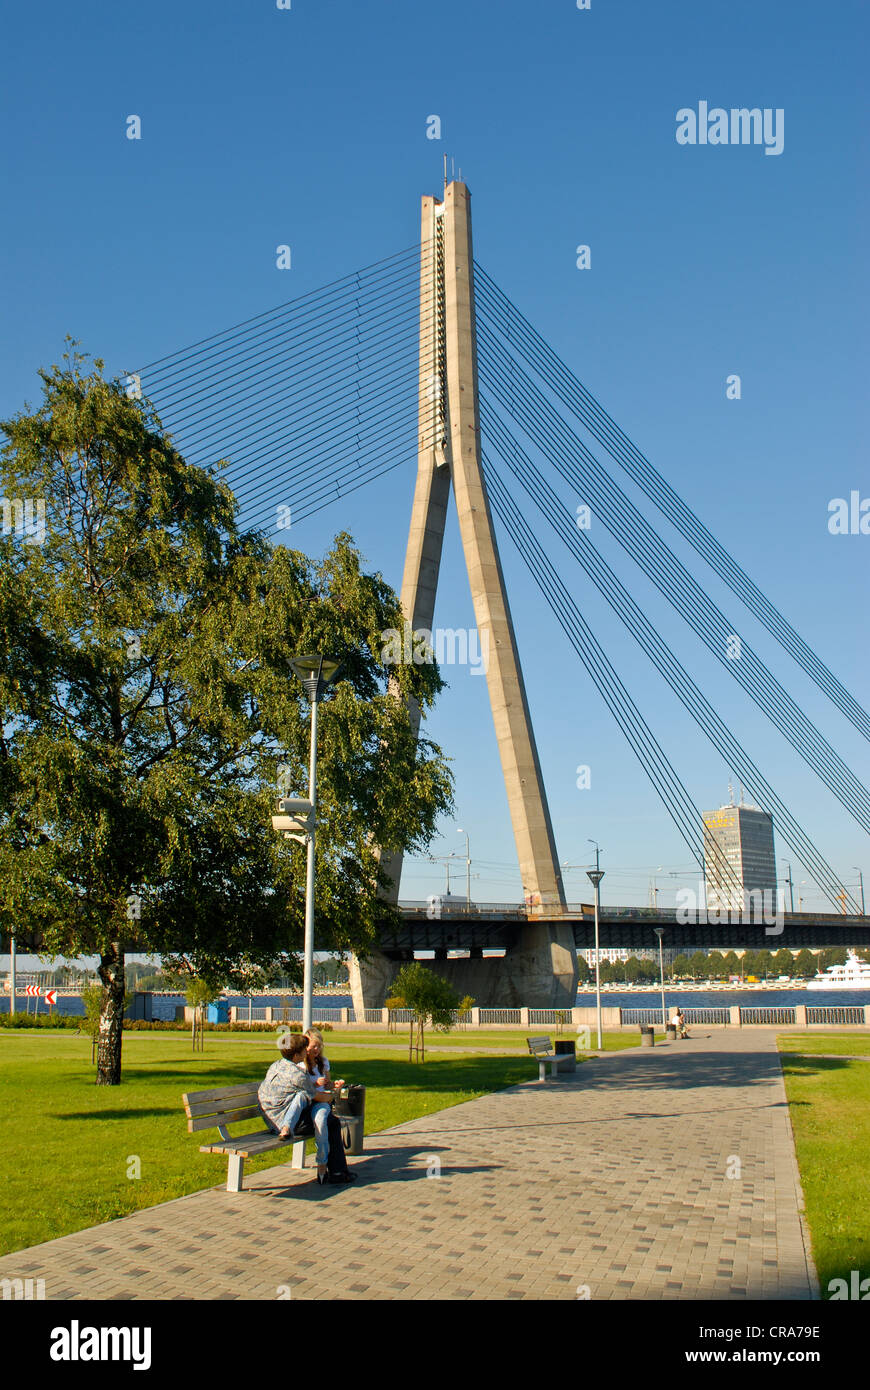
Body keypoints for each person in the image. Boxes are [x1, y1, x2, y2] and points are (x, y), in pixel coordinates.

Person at [258, 1032, 330, 1183]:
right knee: (304, 1097)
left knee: (303, 1097)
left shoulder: (275, 1065)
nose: (307, 1052)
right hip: (280, 1119)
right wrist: (333, 1097)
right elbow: (316, 1096)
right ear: (297, 1054)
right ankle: (322, 1163)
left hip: (268, 1117)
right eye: (304, 1049)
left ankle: (287, 1128)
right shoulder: (298, 1075)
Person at [304, 1028, 359, 1184]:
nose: (316, 1050)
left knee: (328, 1121)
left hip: (322, 1102)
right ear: (306, 1046)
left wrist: (334, 1085)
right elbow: (303, 1088)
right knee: (330, 1123)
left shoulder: (323, 1062)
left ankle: (329, 1167)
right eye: (313, 1046)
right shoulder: (302, 1065)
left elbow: (327, 1085)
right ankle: (330, 1168)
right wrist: (315, 1083)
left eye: (319, 1046)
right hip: (309, 1104)